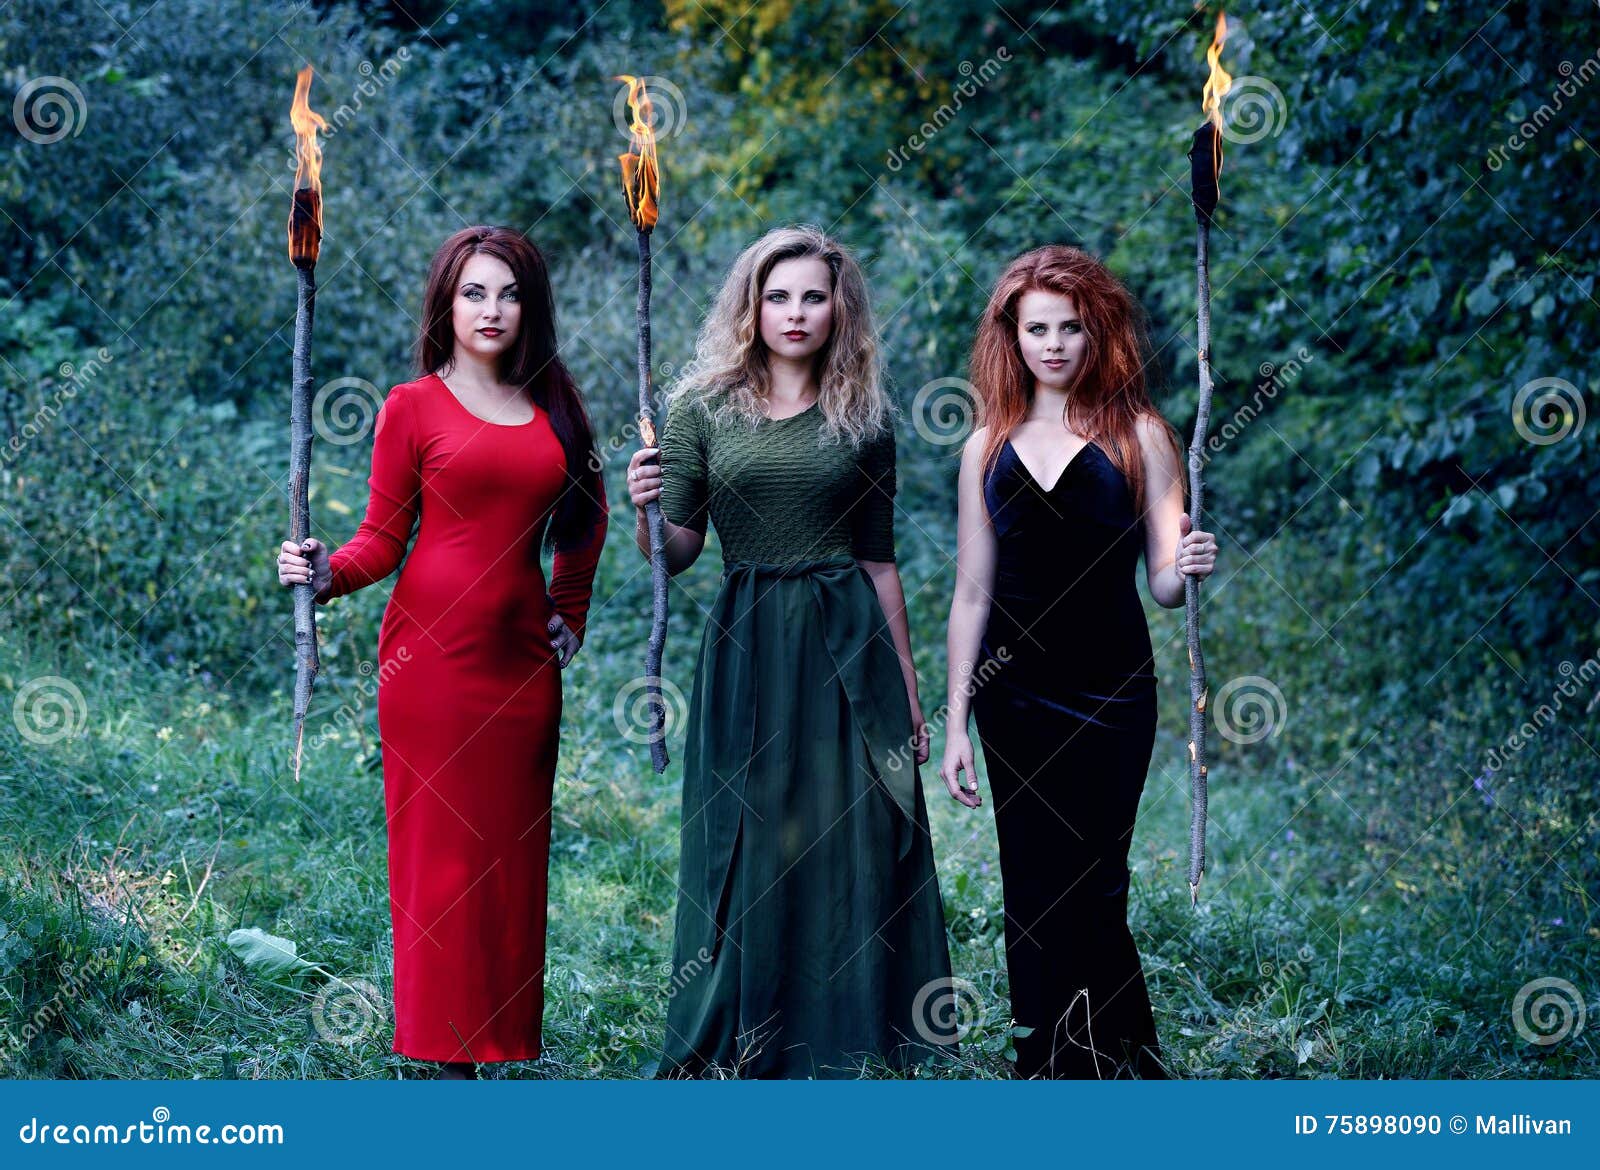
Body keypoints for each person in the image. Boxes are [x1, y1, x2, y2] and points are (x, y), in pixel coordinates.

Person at [274, 225, 608, 1079]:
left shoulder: (555, 407)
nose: (491, 309)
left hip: (522, 674)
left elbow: (590, 515)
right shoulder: (410, 405)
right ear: (446, 304)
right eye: (473, 293)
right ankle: (441, 1053)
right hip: (426, 665)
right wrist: (323, 572)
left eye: (508, 293)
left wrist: (570, 607)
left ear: (530, 306)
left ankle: (499, 1042)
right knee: (438, 864)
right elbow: (381, 541)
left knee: (507, 862)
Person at [625, 225, 955, 1078]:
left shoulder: (866, 417)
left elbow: (881, 562)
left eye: (814, 296)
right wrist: (643, 505)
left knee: (855, 828)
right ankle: (744, 1025)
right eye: (778, 297)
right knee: (749, 830)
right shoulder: (699, 407)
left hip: (847, 638)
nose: (796, 313)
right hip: (748, 636)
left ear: (838, 308)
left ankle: (850, 1031)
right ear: (752, 304)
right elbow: (681, 549)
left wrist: (910, 691)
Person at [938, 244, 1218, 1079]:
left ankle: (1121, 1063)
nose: (1054, 344)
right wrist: (956, 719)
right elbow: (970, 595)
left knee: (1098, 879)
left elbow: (1165, 584)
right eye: (1036, 329)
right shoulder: (986, 444)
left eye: (1071, 327)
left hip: (1113, 692)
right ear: (1011, 338)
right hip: (1013, 695)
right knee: (1031, 881)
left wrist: (1190, 561)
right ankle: (1045, 1065)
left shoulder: (1143, 438)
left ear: (1099, 333)